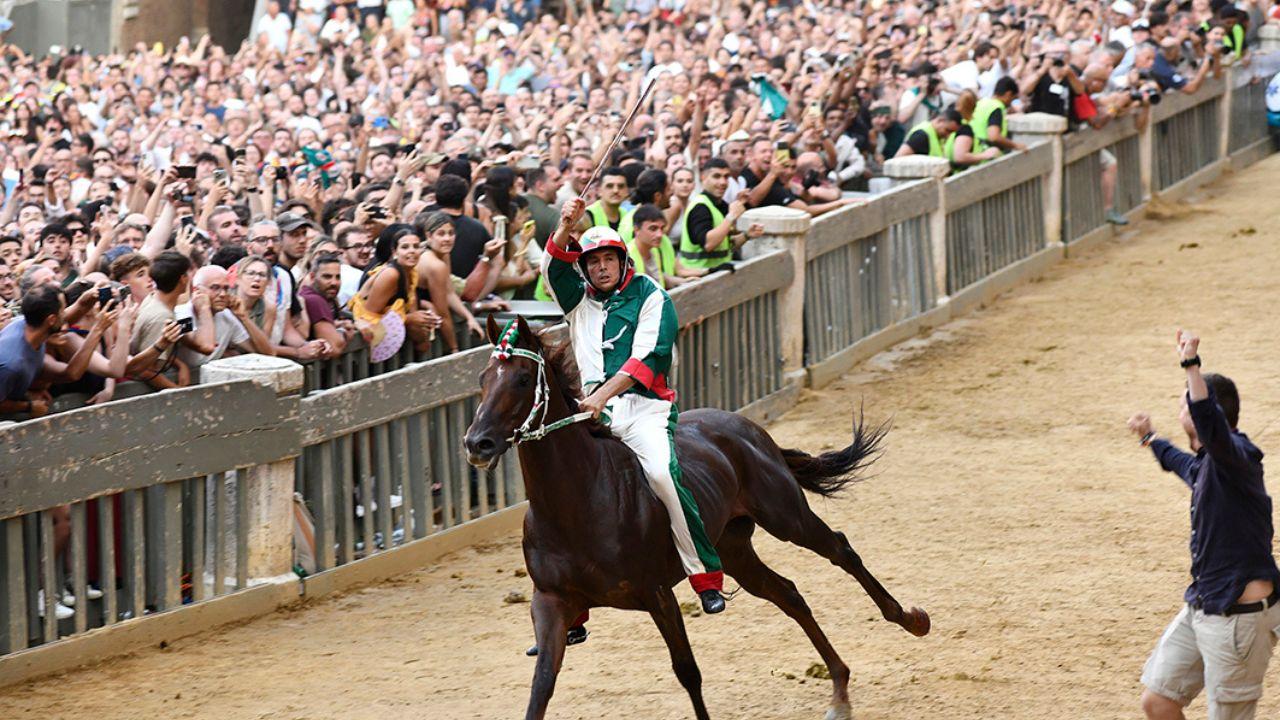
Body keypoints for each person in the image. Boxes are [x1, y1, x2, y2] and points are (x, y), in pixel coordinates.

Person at [533, 196, 728, 653]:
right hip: (591, 410)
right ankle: (571, 608)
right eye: (593, 262)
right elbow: (550, 266)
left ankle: (704, 575)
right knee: (556, 493)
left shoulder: (652, 296)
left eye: (608, 259)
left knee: (661, 474)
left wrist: (600, 397)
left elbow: (647, 359)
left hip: (643, 410)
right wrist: (565, 226)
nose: (601, 268)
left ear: (623, 260)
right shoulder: (577, 300)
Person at [1128, 331, 1280, 720]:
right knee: (1158, 701)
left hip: (1238, 620)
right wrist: (1150, 438)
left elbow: (1207, 420)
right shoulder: (1210, 466)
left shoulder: (1237, 457)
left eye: (1185, 404)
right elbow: (1181, 463)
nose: (1182, 410)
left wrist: (1190, 364)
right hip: (1204, 604)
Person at [679, 159, 762, 273]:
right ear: (703, 177)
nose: (723, 182)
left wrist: (747, 235)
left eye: (726, 177)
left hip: (717, 275)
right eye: (716, 176)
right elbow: (709, 244)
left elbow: (725, 245)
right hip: (697, 277)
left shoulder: (721, 205)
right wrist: (731, 217)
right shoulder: (700, 207)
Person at [896, 108, 964, 159]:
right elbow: (898, 159)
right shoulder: (921, 135)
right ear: (940, 121)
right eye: (947, 130)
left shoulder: (936, 136)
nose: (948, 136)